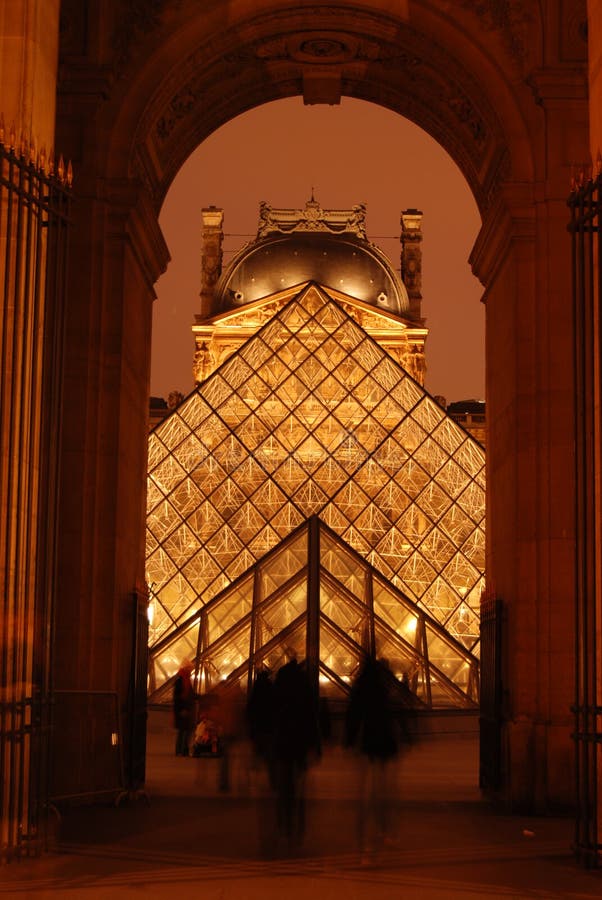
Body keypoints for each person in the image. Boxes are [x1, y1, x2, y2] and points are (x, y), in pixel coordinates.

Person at [345, 654, 402, 859]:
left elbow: (353, 715)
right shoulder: (386, 686)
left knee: (366, 793)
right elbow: (399, 712)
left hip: (367, 743)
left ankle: (364, 842)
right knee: (383, 789)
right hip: (386, 743)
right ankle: (385, 829)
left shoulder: (361, 686)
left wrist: (349, 742)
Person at [271, 657, 321, 849]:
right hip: (299, 744)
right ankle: (298, 826)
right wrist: (316, 747)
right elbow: (312, 717)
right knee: (299, 786)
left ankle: (284, 824)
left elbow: (271, 715)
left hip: (282, 744)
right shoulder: (305, 688)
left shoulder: (279, 687)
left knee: (284, 787)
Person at [173, 659, 195, 757]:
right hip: (182, 710)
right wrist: (181, 709)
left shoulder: (185, 680)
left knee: (185, 730)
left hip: (186, 709)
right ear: (186, 669)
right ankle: (180, 751)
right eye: (190, 669)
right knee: (183, 731)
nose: (191, 671)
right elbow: (177, 697)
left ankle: (182, 750)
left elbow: (191, 694)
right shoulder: (181, 680)